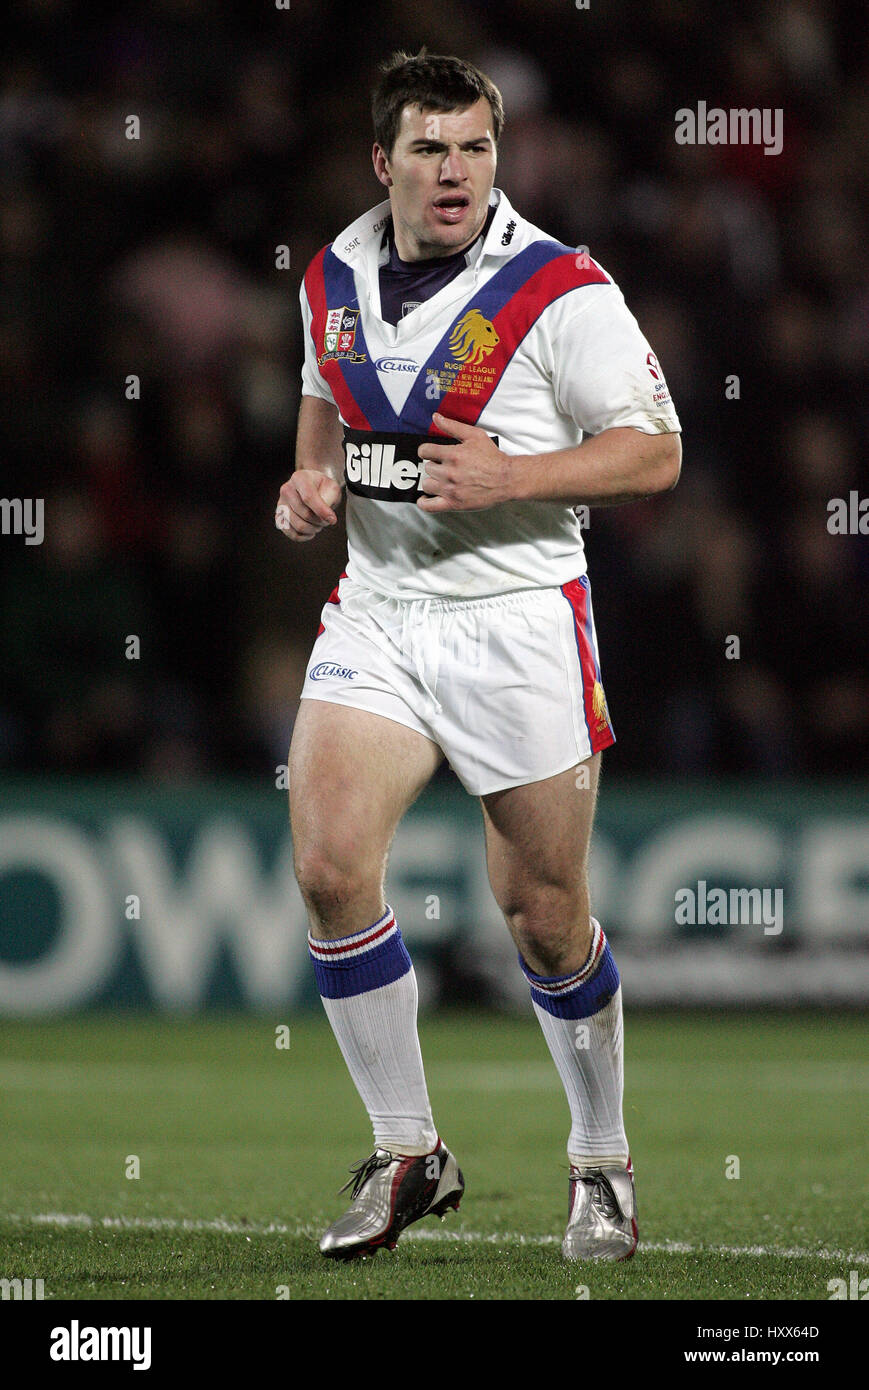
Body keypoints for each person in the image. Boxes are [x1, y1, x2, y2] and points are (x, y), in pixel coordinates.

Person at [276, 50, 681, 1263]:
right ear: (381, 162)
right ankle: (409, 1151)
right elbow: (324, 404)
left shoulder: (563, 288)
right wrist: (308, 480)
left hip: (516, 617)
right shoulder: (331, 271)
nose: (456, 173)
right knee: (330, 862)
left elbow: (653, 450)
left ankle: (600, 1163)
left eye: (475, 148)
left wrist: (516, 474)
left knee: (543, 917)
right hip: (380, 611)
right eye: (430, 149)